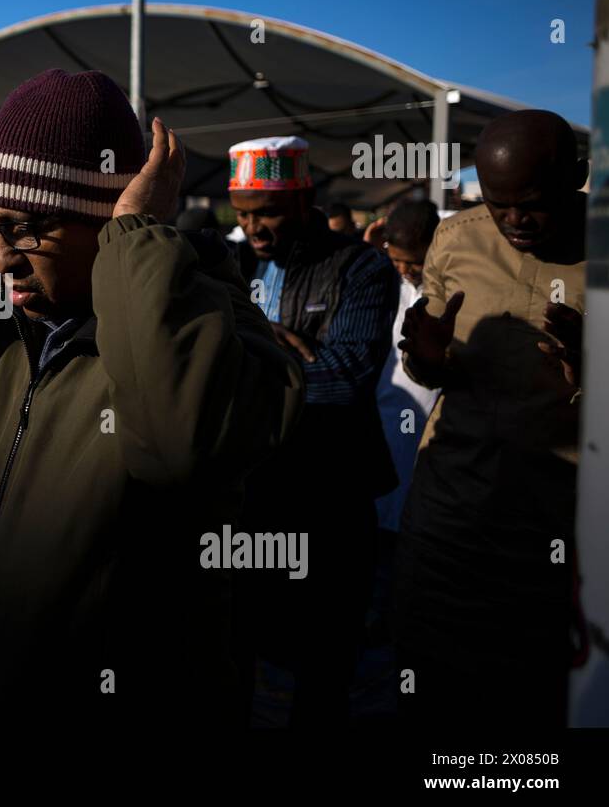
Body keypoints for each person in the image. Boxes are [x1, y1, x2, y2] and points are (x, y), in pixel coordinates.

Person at [0, 69, 304, 726]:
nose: (3, 258)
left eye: (27, 228)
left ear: (107, 217)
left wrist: (137, 240)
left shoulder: (204, 320)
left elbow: (176, 448)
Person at [394, 109, 587, 727]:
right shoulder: (456, 238)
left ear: (577, 177)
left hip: (556, 539)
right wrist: (425, 355)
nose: (513, 222)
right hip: (449, 521)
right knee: (434, 695)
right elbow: (435, 369)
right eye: (497, 204)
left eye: (529, 204)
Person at [229, 135, 400, 725]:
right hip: (254, 493)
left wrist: (256, 359)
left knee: (324, 664)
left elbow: (345, 380)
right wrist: (291, 357)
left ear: (305, 202)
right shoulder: (236, 263)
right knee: (245, 645)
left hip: (331, 497)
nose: (254, 228)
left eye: (267, 212)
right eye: (243, 213)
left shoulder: (363, 267)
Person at [369, 200, 441, 532]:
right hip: (381, 413)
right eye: (395, 259)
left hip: (426, 418)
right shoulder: (384, 283)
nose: (403, 269)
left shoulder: (445, 292)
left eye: (412, 262)